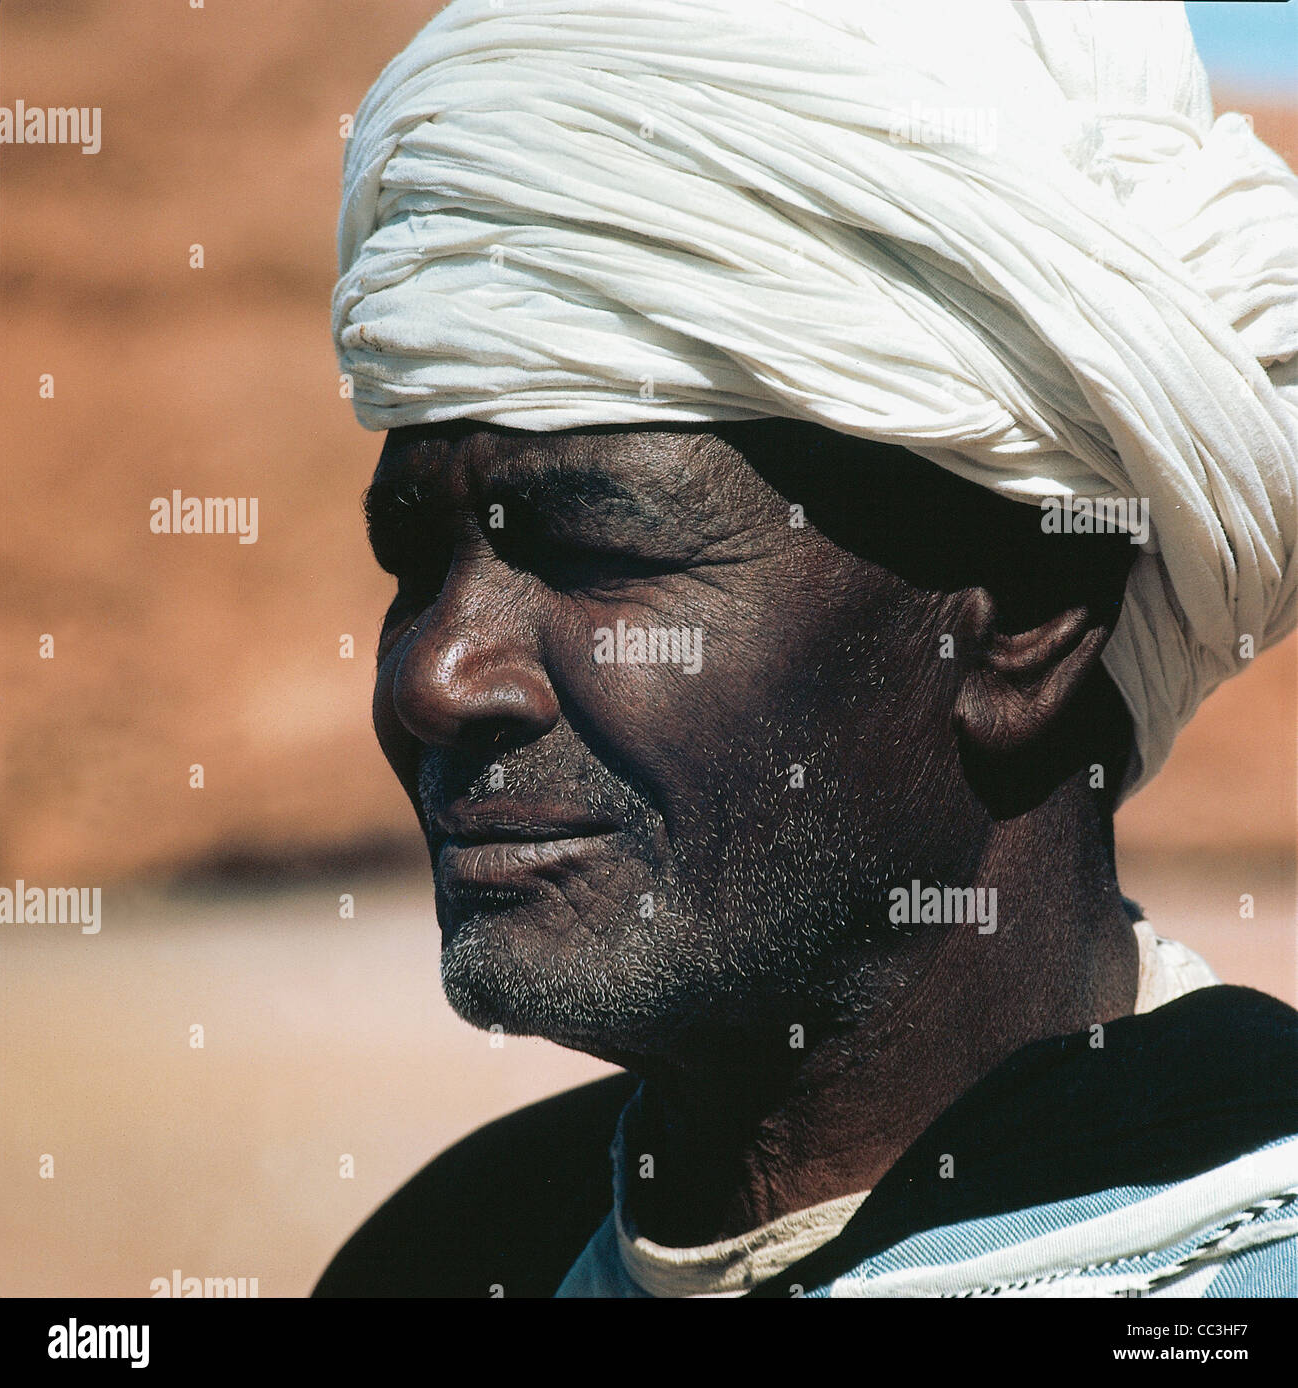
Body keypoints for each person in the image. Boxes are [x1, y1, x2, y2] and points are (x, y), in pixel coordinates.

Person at [315, 0, 1298, 1297]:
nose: (433, 678)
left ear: (1026, 613)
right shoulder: (455, 1249)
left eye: (600, 553)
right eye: (414, 568)